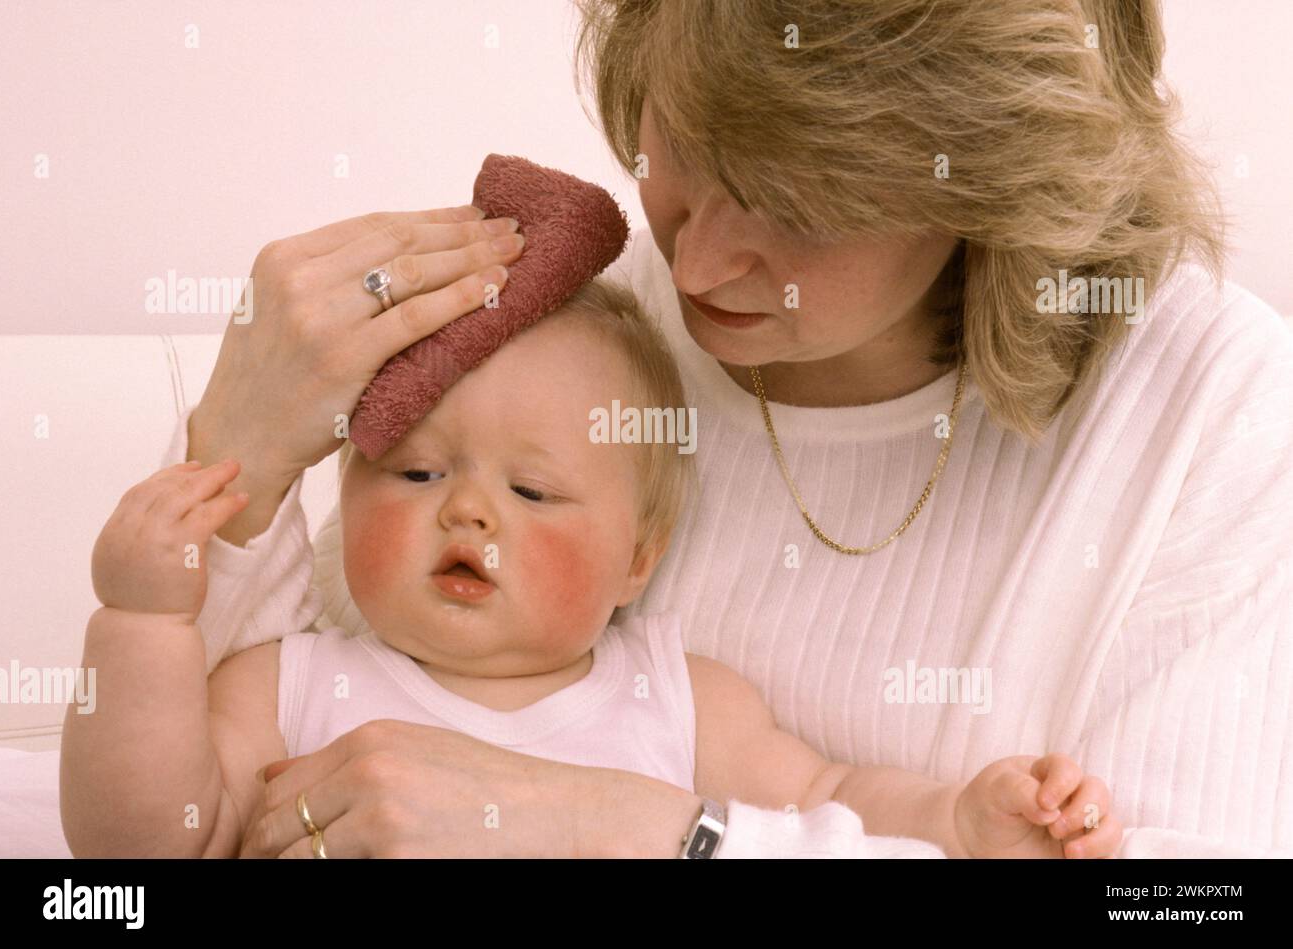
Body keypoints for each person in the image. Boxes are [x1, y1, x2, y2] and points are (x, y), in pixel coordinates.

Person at [168, 0, 1293, 857]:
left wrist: (660, 835)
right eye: (687, 155)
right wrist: (240, 456)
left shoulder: (1215, 409)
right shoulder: (585, 336)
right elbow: (262, 765)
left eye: (800, 206)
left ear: (994, 187)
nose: (695, 264)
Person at [61, 279, 1117, 859]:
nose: (467, 508)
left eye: (532, 492)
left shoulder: (674, 695)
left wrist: (957, 821)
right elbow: (142, 848)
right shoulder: (288, 683)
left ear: (636, 558)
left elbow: (827, 797)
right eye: (417, 469)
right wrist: (143, 624)